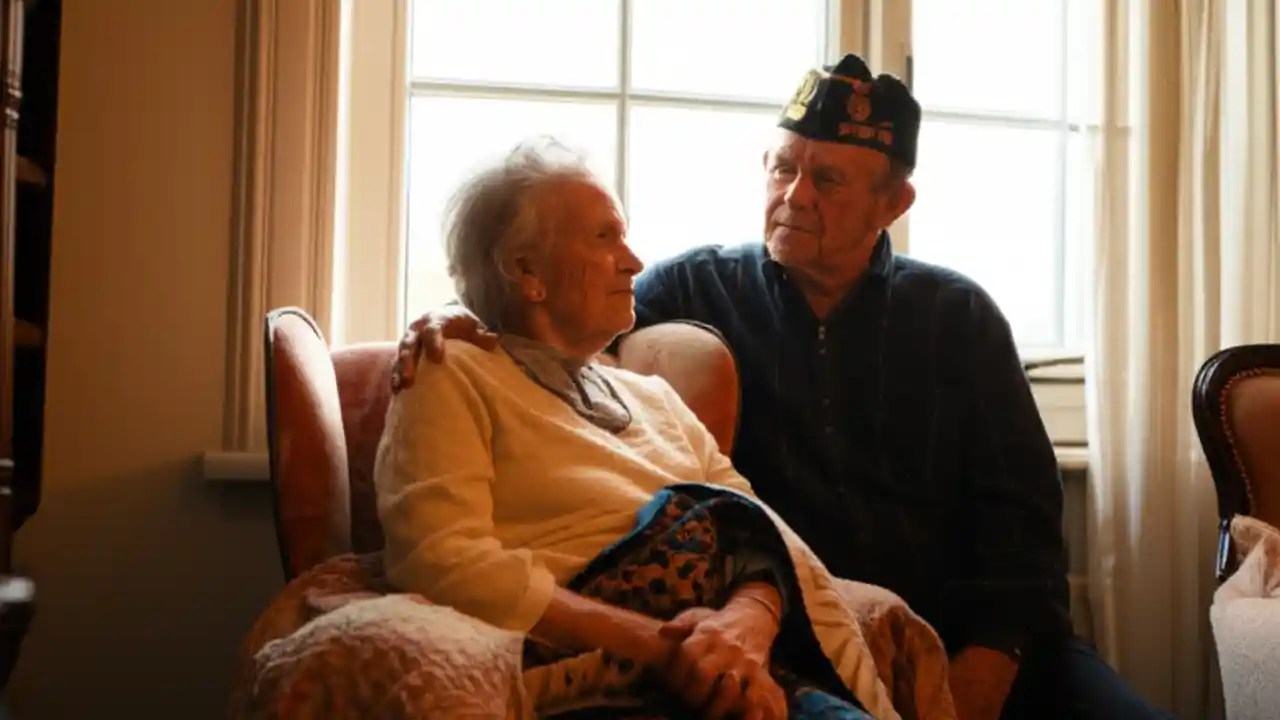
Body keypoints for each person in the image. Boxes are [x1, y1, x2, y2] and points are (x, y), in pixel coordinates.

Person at [391, 55, 1172, 720]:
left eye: (827, 180)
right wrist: (455, 317)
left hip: (978, 644)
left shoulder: (957, 316)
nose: (795, 195)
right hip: (800, 635)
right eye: (782, 167)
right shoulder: (692, 292)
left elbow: (1024, 532)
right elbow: (544, 321)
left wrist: (981, 672)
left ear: (892, 203)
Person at [373, 139, 935, 720]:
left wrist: (746, 627)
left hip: (734, 661)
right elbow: (441, 560)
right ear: (526, 271)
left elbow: (756, 530)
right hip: (601, 675)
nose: (634, 262)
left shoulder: (655, 398)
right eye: (605, 237)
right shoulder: (450, 371)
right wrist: (667, 650)